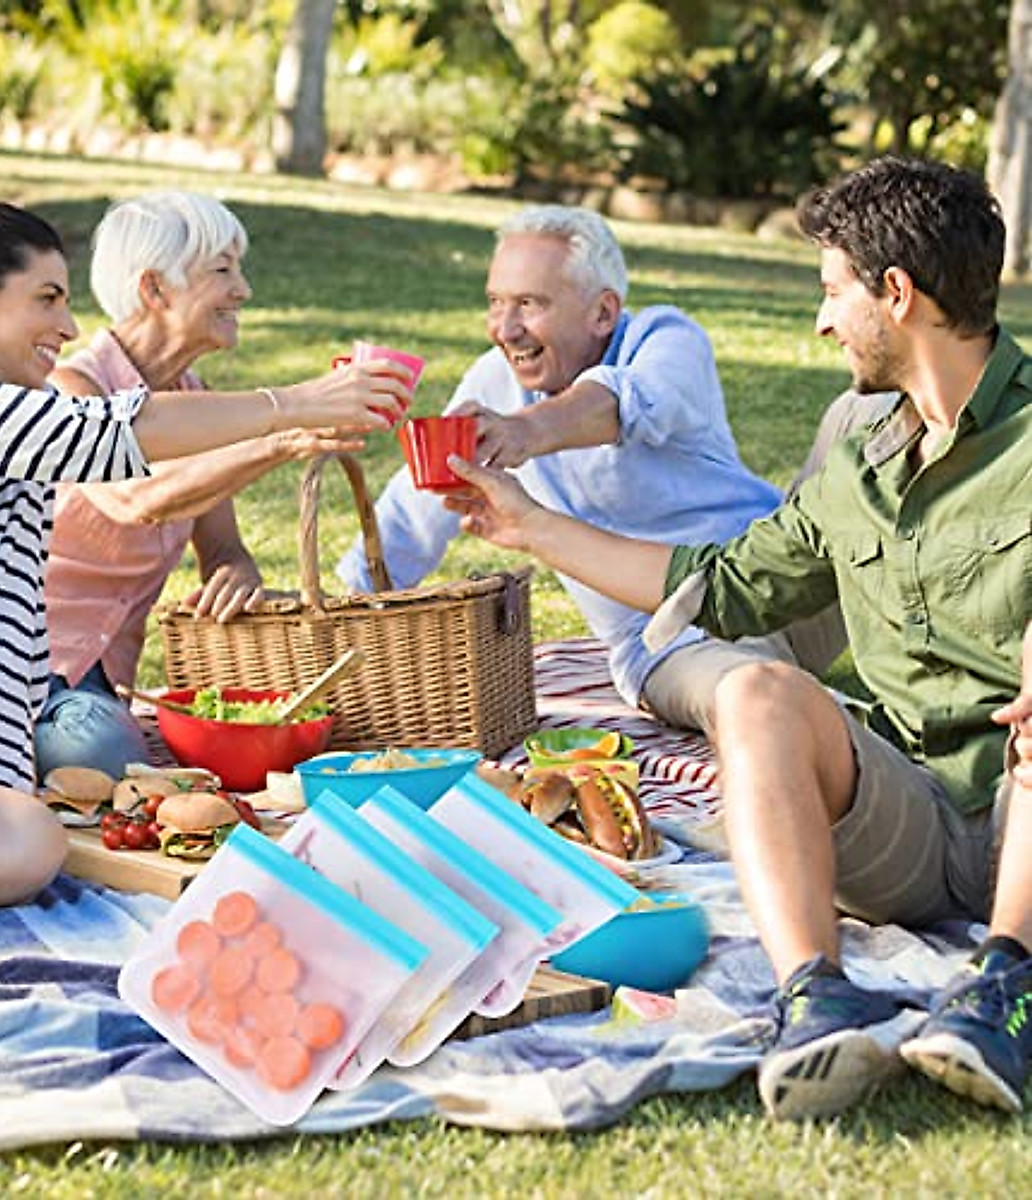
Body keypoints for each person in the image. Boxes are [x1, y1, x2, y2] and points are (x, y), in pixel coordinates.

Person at [442, 158, 1032, 1120]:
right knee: (752, 692)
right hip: (916, 818)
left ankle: (1006, 988)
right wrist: (528, 526)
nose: (822, 321)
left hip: (1020, 803)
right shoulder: (862, 457)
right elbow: (716, 585)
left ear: (896, 293)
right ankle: (817, 997)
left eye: (833, 291)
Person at [0, 200, 409, 917]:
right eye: (47, 299)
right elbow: (109, 434)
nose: (69, 326)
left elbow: (15, 644)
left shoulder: (20, 453)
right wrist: (295, 404)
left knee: (29, 842)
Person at [338, 205, 872, 735]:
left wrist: (524, 431)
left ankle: (916, 631)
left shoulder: (666, 339)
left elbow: (624, 402)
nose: (506, 328)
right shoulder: (492, 384)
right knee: (757, 699)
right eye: (496, 302)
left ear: (602, 313)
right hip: (672, 641)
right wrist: (344, 613)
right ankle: (837, 735)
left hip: (783, 582)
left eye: (529, 303)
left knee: (866, 409)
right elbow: (412, 511)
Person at [35, 191, 365, 781]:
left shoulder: (194, 397)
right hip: (32, 666)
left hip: (107, 681)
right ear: (155, 289)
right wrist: (282, 435)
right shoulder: (72, 389)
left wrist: (235, 572)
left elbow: (223, 547)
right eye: (222, 271)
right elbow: (134, 498)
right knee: (101, 757)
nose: (244, 290)